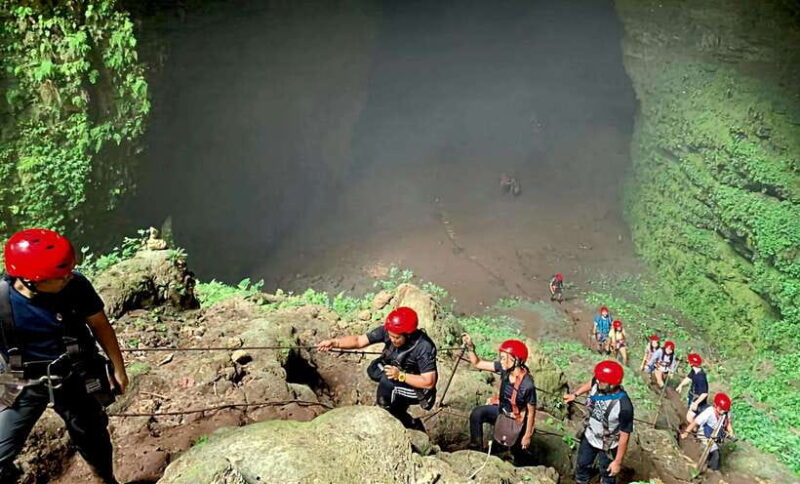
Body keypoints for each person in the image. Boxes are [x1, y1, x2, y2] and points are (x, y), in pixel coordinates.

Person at [0, 229, 128, 484]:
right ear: (29, 279)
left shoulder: (75, 286)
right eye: (59, 276)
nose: (67, 277)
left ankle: (105, 479)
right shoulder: (2, 300)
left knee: (92, 434)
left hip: (76, 372)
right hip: (18, 377)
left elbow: (100, 324)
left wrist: (118, 368)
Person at [316, 307, 437, 429]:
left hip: (418, 389)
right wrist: (335, 342)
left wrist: (400, 376)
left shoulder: (424, 347)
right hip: (398, 372)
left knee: (386, 384)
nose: (392, 340)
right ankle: (396, 399)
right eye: (391, 336)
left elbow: (428, 382)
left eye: (397, 338)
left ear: (408, 335)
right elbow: (359, 341)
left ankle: (403, 421)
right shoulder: (389, 331)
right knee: (374, 369)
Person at [461, 335, 536, 456]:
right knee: (477, 413)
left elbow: (531, 412)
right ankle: (476, 449)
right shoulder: (504, 369)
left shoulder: (527, 385)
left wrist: (527, 435)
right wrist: (470, 347)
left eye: (503, 358)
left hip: (515, 420)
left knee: (512, 451)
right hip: (501, 412)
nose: (501, 361)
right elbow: (478, 363)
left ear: (515, 360)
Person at [563, 361, 633, 484]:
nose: (598, 382)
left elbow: (624, 436)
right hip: (590, 435)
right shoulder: (599, 382)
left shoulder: (624, 406)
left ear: (612, 384)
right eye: (599, 379)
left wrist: (617, 462)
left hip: (608, 444)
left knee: (608, 473)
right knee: (582, 464)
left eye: (602, 381)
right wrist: (575, 394)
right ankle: (581, 481)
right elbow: (592, 382)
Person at [680, 392, 734, 471]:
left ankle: (711, 467)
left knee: (717, 450)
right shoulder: (708, 413)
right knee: (715, 454)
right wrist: (686, 433)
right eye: (721, 409)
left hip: (716, 432)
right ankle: (711, 470)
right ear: (716, 406)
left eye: (724, 410)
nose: (722, 412)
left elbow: (727, 422)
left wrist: (730, 431)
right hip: (705, 432)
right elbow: (695, 422)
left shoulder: (725, 413)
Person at [675, 353, 709, 423]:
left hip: (698, 399)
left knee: (689, 418)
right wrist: (680, 385)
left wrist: (696, 403)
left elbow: (704, 393)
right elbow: (688, 378)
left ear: (691, 364)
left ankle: (695, 430)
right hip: (692, 396)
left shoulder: (701, 377)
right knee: (691, 413)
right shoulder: (694, 371)